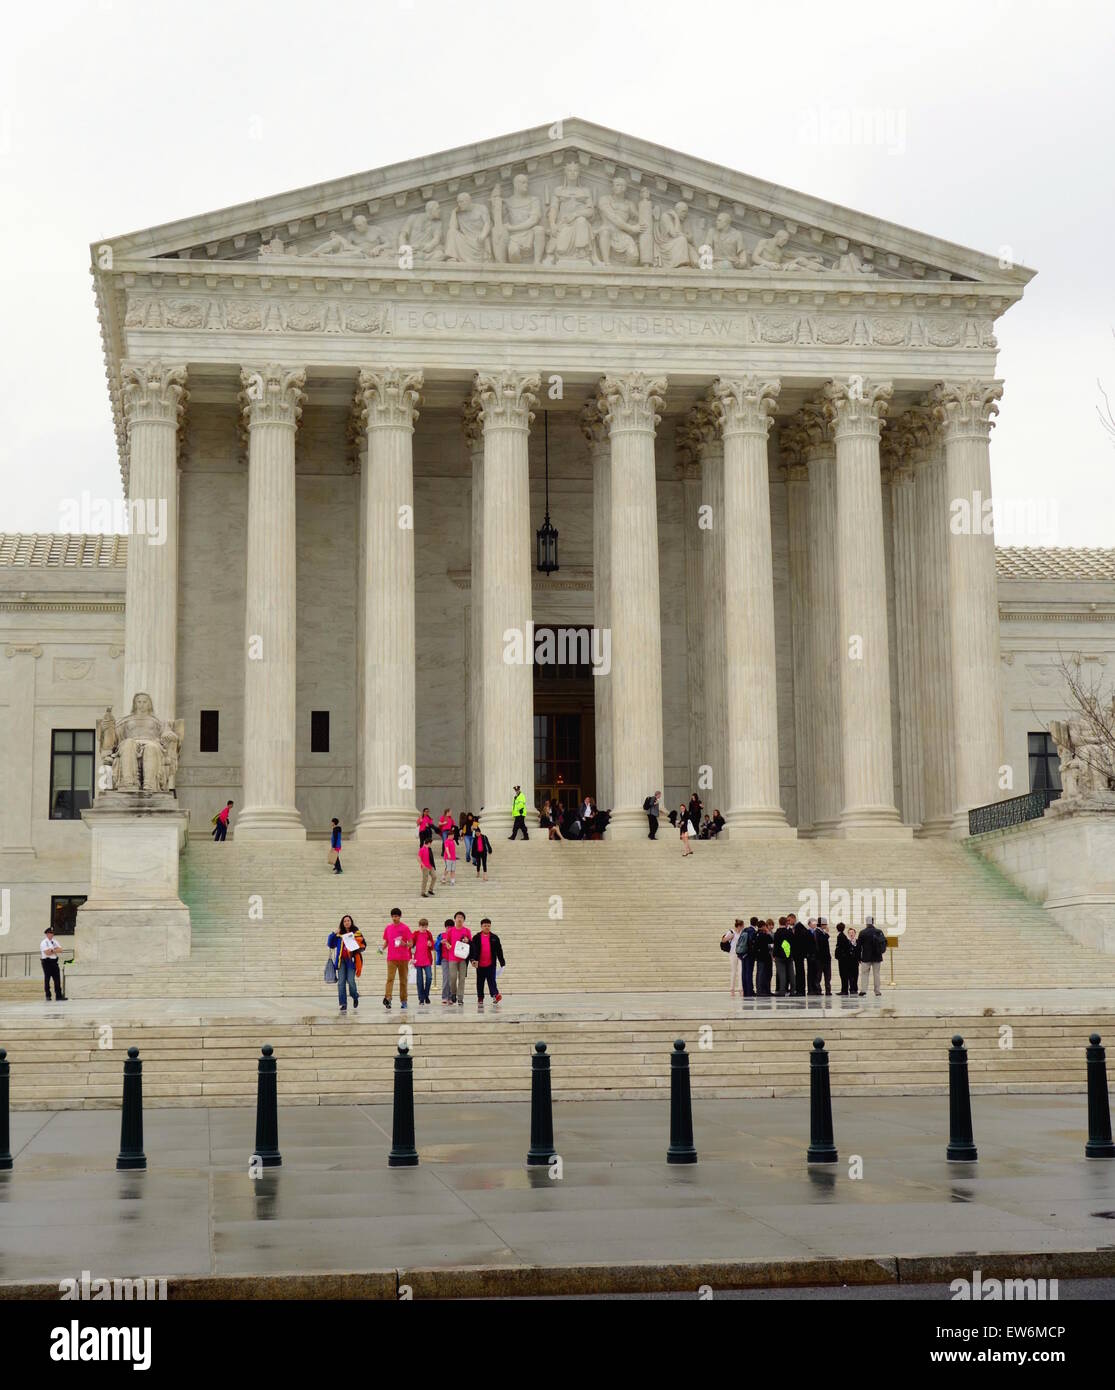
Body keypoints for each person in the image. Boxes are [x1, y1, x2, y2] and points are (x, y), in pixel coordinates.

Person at [327, 914, 365, 1014]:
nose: (346, 922)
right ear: (342, 923)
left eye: (348, 920)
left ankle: (355, 996)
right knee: (341, 983)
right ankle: (343, 1003)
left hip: (351, 960)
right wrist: (333, 933)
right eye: (345, 921)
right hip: (341, 961)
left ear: (351, 922)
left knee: (351, 981)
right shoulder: (339, 935)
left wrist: (356, 946)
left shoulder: (356, 933)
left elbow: (363, 945)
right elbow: (330, 944)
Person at [470, 916, 505, 1011]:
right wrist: (472, 959)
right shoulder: (476, 937)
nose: (487, 927)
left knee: (492, 981)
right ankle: (480, 997)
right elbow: (472, 950)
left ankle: (495, 995)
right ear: (481, 926)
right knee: (480, 982)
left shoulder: (495, 937)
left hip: (491, 964)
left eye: (488, 926)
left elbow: (499, 950)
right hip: (480, 964)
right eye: (485, 925)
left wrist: (502, 962)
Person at [382, 908, 414, 1011]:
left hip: (403, 958)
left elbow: (411, 943)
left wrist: (404, 944)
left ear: (400, 916)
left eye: (396, 916)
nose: (394, 918)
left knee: (403, 980)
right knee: (390, 979)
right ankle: (388, 998)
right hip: (391, 958)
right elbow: (387, 941)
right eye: (393, 916)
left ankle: (404, 1000)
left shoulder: (405, 928)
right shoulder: (388, 928)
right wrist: (381, 949)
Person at [445, 911, 472, 1007]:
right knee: (452, 977)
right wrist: (448, 945)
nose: (459, 919)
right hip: (452, 957)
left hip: (463, 958)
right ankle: (453, 993)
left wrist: (467, 940)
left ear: (463, 919)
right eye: (458, 917)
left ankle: (460, 998)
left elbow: (471, 943)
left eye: (461, 917)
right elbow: (446, 941)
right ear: (455, 919)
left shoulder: (467, 931)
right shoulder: (451, 930)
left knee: (461, 979)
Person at [857, 916, 888, 997]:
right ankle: (877, 991)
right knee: (876, 974)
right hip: (877, 956)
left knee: (864, 974)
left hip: (865, 957)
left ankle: (863, 990)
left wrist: (858, 957)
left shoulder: (862, 932)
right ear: (873, 922)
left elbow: (859, 946)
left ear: (866, 923)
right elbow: (884, 942)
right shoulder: (879, 931)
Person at [412, 917, 436, 1007]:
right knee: (419, 981)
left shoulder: (428, 934)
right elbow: (410, 945)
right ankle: (421, 998)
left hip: (427, 960)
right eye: (422, 926)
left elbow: (432, 946)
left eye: (425, 927)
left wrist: (430, 945)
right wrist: (411, 958)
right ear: (419, 926)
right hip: (417, 960)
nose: (423, 928)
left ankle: (426, 995)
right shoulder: (415, 934)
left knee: (429, 978)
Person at [40, 925, 66, 1002]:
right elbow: (47, 953)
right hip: (47, 962)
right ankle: (48, 995)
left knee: (57, 979)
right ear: (47, 934)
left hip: (54, 962)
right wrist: (55, 950)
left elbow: (61, 950)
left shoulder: (55, 941)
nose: (52, 934)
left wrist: (52, 950)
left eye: (52, 933)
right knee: (47, 979)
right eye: (50, 933)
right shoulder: (44, 942)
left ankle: (59, 996)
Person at [789, 913, 812, 997]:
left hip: (799, 954)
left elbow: (801, 940)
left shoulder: (799, 927)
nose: (788, 922)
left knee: (800, 972)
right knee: (799, 972)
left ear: (794, 918)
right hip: (798, 954)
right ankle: (799, 990)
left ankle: (801, 991)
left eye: (789, 920)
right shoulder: (797, 927)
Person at [736, 916, 759, 998]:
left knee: (744, 973)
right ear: (756, 923)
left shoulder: (745, 930)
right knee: (749, 973)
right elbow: (752, 944)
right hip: (749, 955)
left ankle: (745, 991)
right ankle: (750, 991)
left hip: (743, 954)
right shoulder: (753, 931)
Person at [751, 919, 774, 997]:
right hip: (765, 957)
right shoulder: (763, 935)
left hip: (760, 957)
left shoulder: (755, 934)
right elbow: (771, 940)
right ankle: (764, 991)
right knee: (765, 974)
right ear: (764, 926)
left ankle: (760, 990)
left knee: (760, 974)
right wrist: (768, 932)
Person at [773, 917, 794, 996]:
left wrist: (774, 955)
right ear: (786, 923)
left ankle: (782, 991)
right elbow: (792, 943)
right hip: (788, 955)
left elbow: (776, 945)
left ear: (779, 923)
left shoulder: (777, 933)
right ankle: (792, 991)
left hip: (779, 956)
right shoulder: (789, 932)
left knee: (782, 974)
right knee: (791, 973)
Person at [723, 919, 743, 997]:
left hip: (740, 953)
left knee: (741, 972)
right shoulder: (731, 931)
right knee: (733, 971)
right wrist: (729, 937)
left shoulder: (742, 932)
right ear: (739, 926)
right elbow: (723, 940)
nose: (743, 927)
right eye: (742, 926)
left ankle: (741, 989)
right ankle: (732, 989)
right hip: (733, 953)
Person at [834, 922, 856, 995]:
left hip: (843, 959)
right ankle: (844, 990)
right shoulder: (843, 936)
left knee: (843, 975)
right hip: (844, 959)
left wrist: (838, 955)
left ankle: (844, 990)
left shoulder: (840, 936)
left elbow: (841, 948)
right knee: (844, 975)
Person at [813, 917, 833, 996]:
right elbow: (822, 941)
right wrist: (827, 934)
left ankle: (828, 990)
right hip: (820, 958)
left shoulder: (822, 932)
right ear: (822, 925)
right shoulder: (817, 932)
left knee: (828, 976)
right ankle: (818, 990)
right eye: (825, 924)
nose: (826, 926)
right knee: (819, 975)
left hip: (826, 958)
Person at [437, 918, 454, 1006]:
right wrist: (440, 942)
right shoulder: (441, 935)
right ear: (445, 927)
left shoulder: (455, 935)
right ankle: (444, 996)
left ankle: (451, 997)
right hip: (445, 959)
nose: (449, 929)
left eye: (451, 927)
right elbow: (436, 946)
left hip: (454, 959)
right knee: (446, 978)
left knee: (452, 979)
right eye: (447, 927)